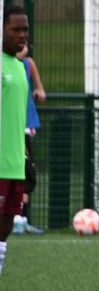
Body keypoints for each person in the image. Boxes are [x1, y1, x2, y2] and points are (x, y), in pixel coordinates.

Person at [0, 6, 30, 291]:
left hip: (14, 162)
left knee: (5, 227)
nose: (22, 34)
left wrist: (24, 152)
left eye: (25, 29)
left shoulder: (19, 66)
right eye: (15, 29)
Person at [14, 43, 45, 235]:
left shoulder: (28, 64)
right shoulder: (6, 63)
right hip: (10, 127)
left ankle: (21, 218)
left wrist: (37, 93)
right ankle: (15, 216)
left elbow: (41, 92)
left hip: (26, 125)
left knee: (27, 172)